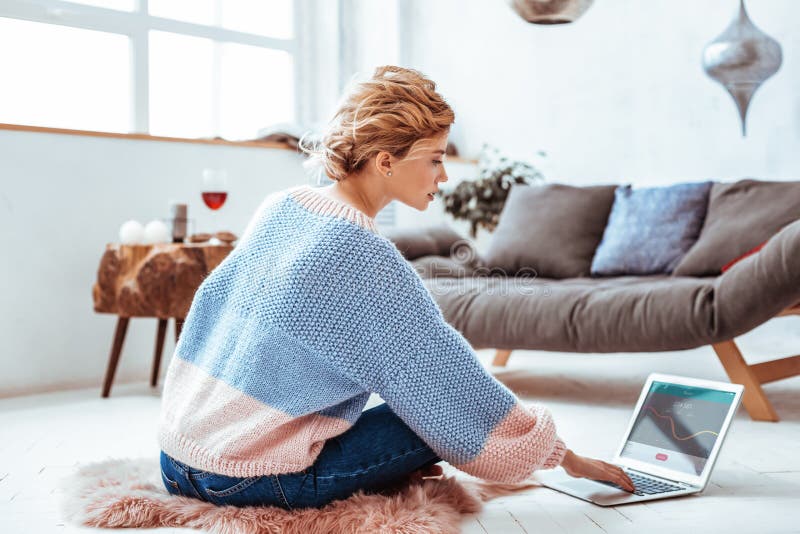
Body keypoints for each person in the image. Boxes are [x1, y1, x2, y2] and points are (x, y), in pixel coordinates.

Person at [156, 65, 634, 510]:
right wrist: (564, 457)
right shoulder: (366, 258)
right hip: (249, 479)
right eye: (434, 159)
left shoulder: (282, 207)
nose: (443, 177)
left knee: (426, 402)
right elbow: (451, 385)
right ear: (386, 161)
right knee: (441, 415)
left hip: (176, 461)